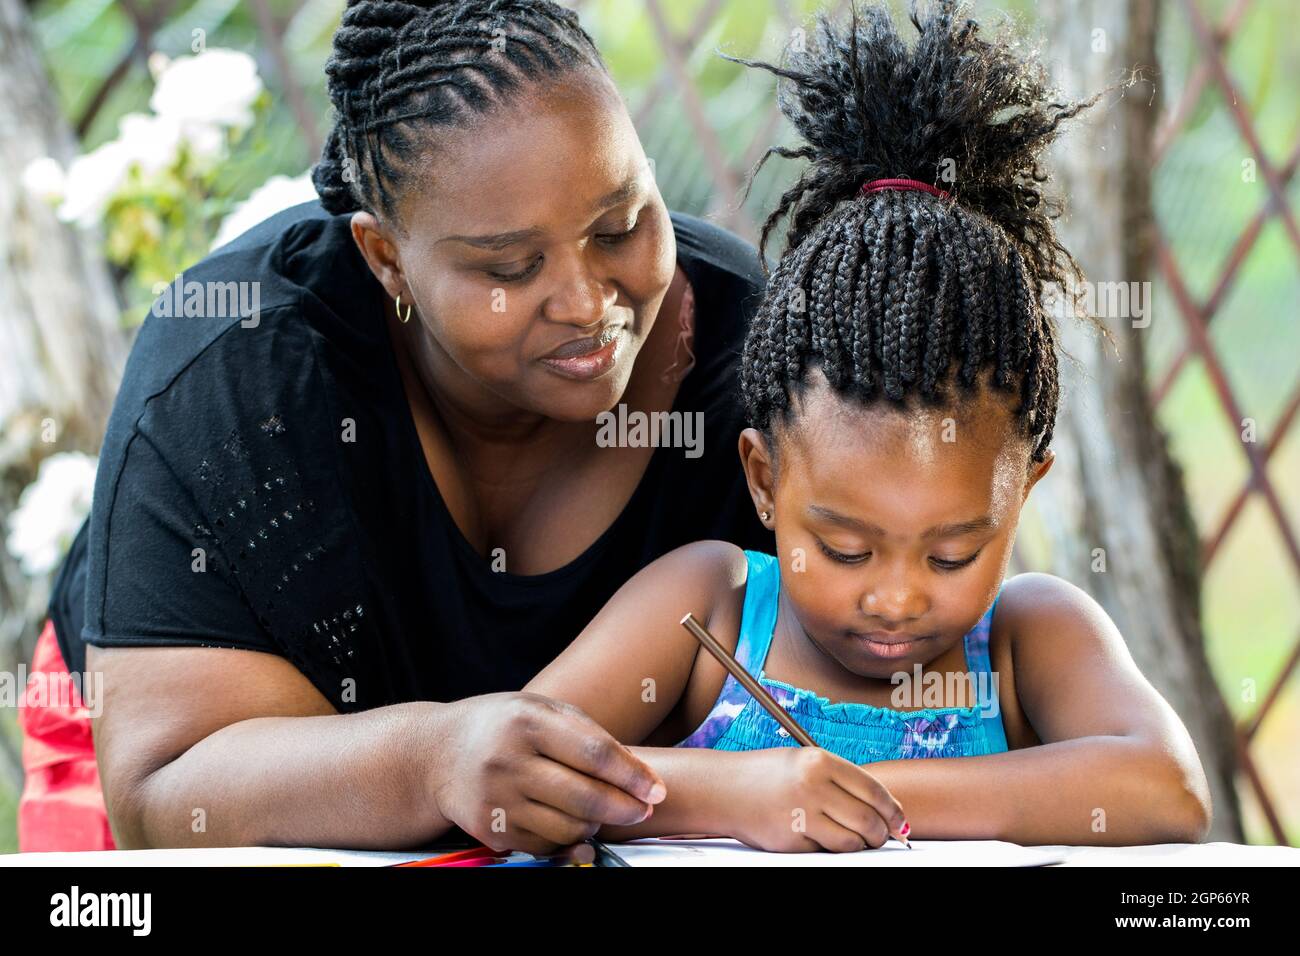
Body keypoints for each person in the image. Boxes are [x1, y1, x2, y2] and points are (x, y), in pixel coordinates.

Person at [22, 0, 775, 857]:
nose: (588, 302)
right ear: (385, 257)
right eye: (509, 266)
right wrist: (430, 762)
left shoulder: (733, 352)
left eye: (619, 226)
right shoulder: (240, 378)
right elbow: (163, 793)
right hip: (207, 745)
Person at [523, 0, 1212, 851]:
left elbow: (1167, 787)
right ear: (764, 479)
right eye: (846, 550)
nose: (895, 598)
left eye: (953, 555)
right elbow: (527, 763)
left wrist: (862, 796)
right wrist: (742, 795)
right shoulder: (715, 609)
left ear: (1025, 491)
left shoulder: (1026, 643)